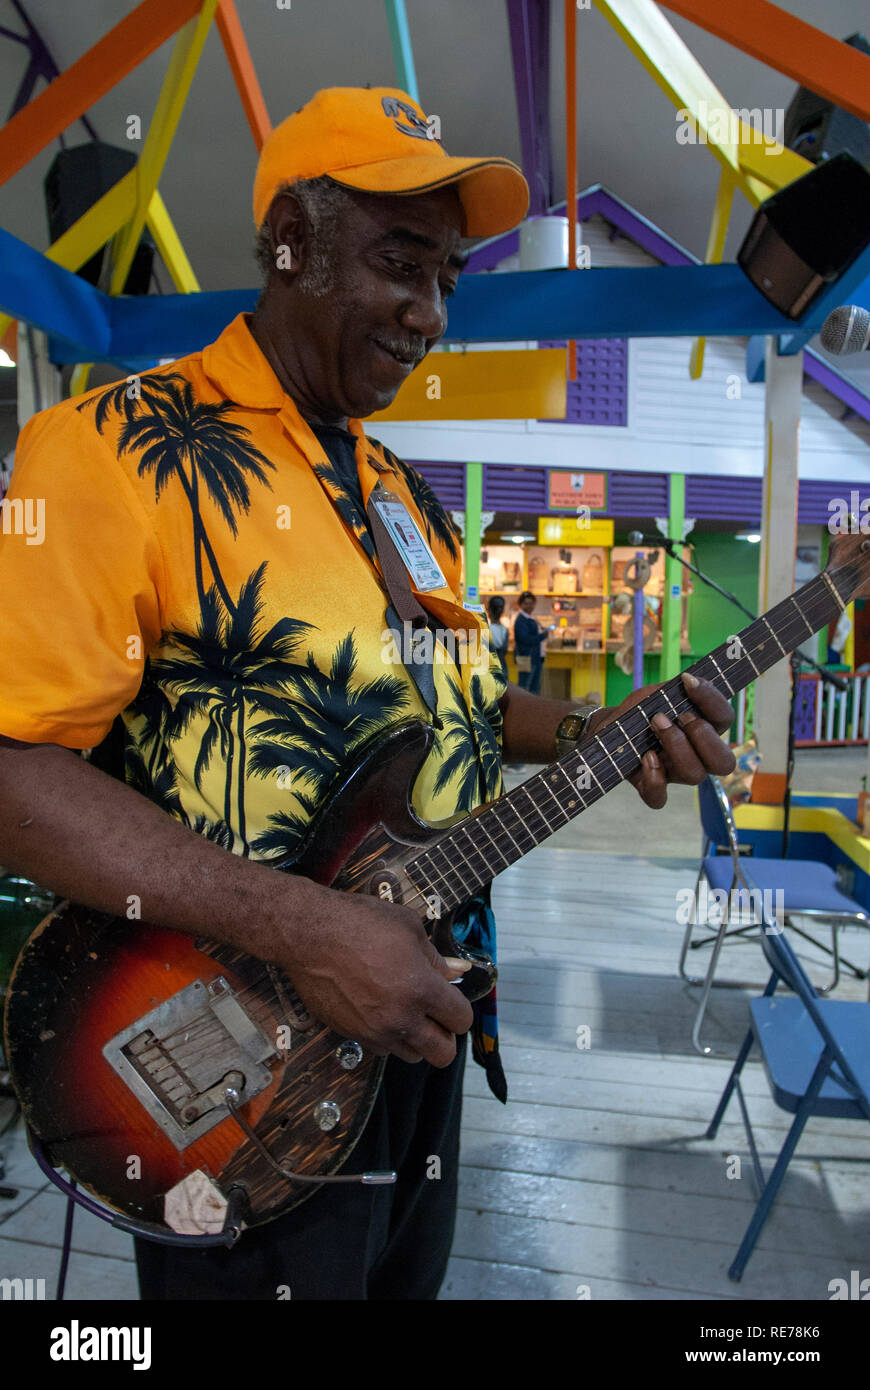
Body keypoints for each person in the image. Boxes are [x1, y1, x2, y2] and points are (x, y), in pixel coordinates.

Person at [0, 86, 735, 1301]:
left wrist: (593, 728)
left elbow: (447, 696)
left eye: (447, 275)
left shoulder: (404, 490)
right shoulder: (115, 446)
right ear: (292, 241)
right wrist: (305, 928)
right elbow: (16, 773)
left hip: (418, 1028)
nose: (431, 312)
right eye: (403, 264)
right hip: (232, 1052)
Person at [513, 591, 551, 695]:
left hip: (535, 658)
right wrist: (543, 636)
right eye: (526, 603)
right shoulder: (521, 620)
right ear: (520, 605)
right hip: (526, 658)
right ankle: (522, 711)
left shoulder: (531, 618)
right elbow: (526, 639)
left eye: (531, 603)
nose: (529, 606)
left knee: (535, 690)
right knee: (525, 689)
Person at [486, 594, 509, 676]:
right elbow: (505, 650)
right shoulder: (504, 630)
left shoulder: (484, 629)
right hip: (502, 668)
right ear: (502, 611)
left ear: (488, 610)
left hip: (487, 669)